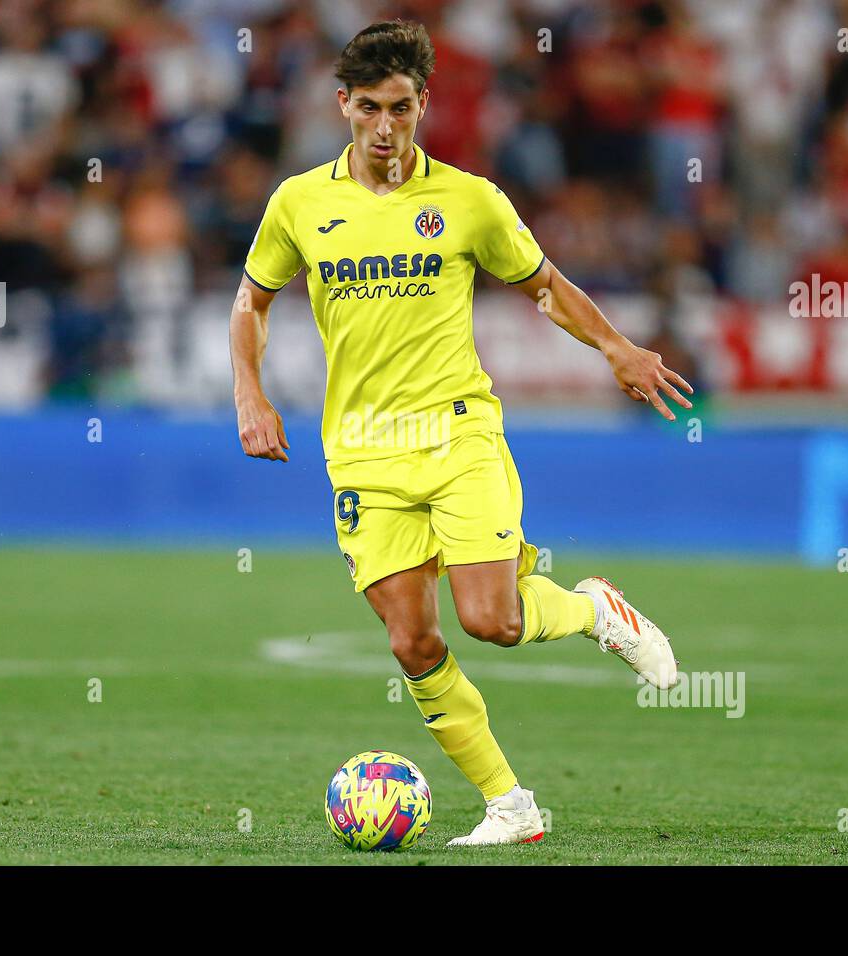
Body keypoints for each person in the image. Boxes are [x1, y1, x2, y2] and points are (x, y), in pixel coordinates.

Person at [229, 21, 693, 847]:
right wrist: (249, 394)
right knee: (412, 640)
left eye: (400, 109)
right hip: (363, 451)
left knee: (494, 621)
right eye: (367, 107)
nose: (383, 127)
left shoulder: (471, 200)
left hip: (457, 436)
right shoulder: (299, 203)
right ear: (342, 105)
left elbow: (545, 288)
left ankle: (594, 611)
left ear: (422, 105)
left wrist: (617, 347)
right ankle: (511, 806)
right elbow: (252, 302)